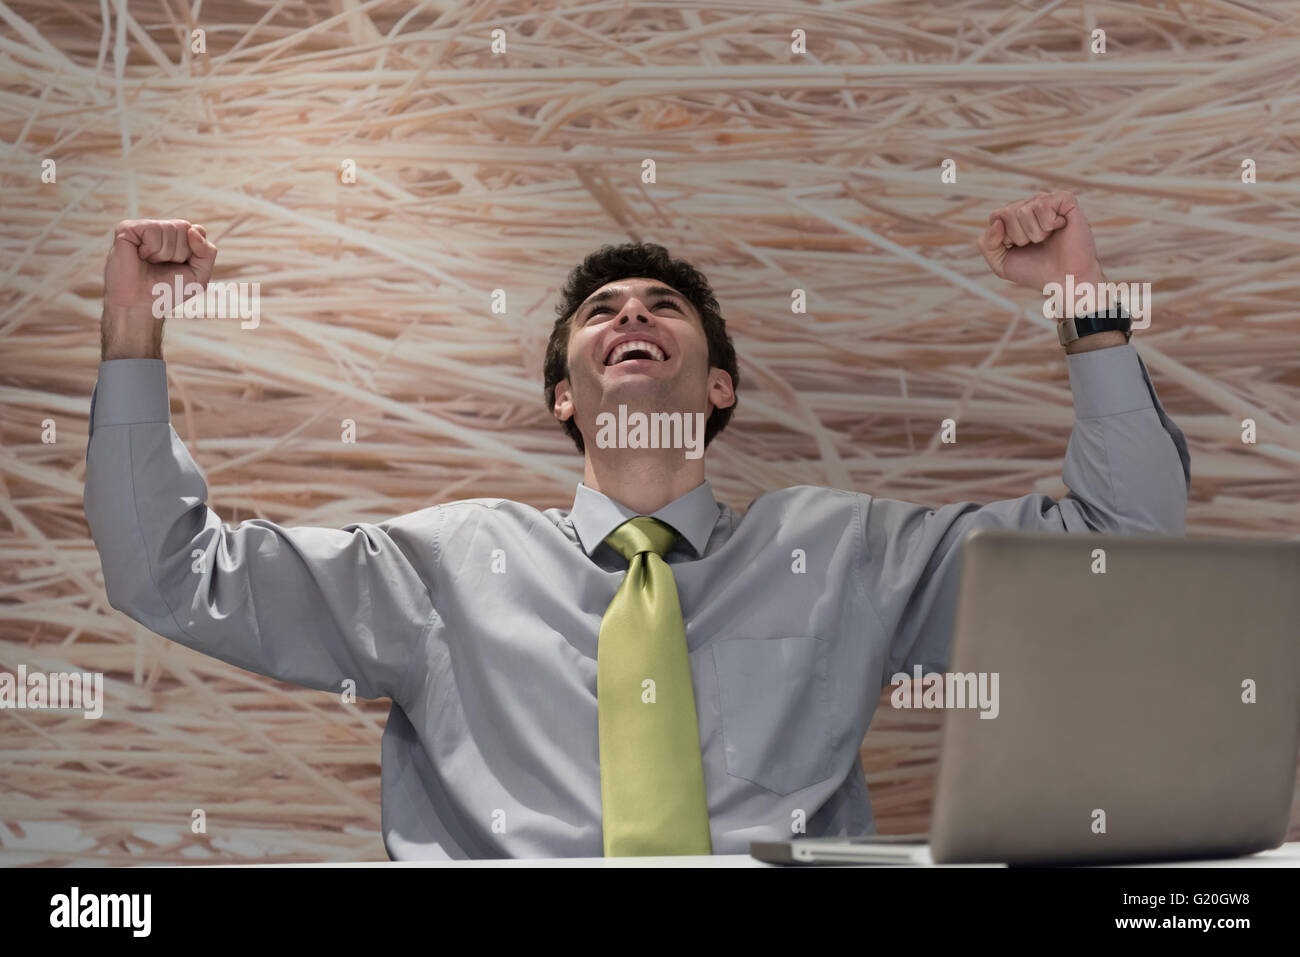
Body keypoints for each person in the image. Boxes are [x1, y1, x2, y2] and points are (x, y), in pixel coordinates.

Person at [84, 192, 1190, 859]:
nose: (631, 315)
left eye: (663, 308)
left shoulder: (842, 552)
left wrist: (1081, 304)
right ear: (565, 397)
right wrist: (135, 334)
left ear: (717, 390)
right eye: (600, 310)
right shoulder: (441, 568)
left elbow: (1119, 543)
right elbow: (170, 575)